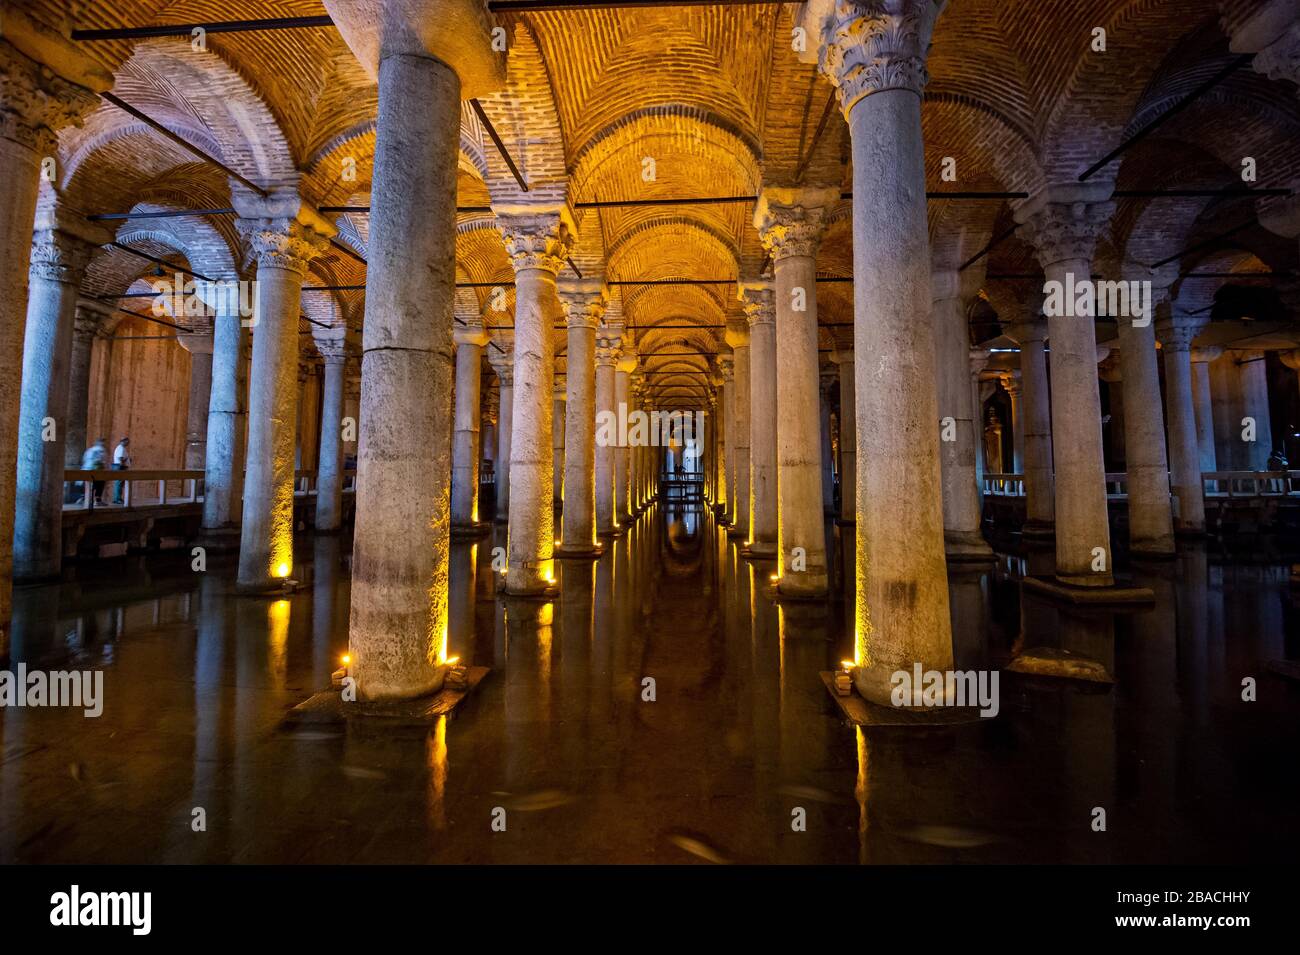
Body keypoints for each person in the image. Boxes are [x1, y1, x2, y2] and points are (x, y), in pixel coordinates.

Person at [78, 438, 108, 506]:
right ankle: (97, 500)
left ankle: (83, 497)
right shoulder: (100, 449)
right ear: (101, 442)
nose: (104, 444)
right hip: (95, 470)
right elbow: (99, 461)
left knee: (88, 484)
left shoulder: (90, 450)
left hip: (86, 469)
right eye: (103, 442)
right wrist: (103, 469)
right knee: (99, 484)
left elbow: (84, 460)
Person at [111, 436, 131, 505]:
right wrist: (127, 460)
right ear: (124, 441)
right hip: (120, 467)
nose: (128, 443)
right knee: (119, 484)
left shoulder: (121, 448)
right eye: (128, 441)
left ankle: (117, 498)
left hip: (120, 467)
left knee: (119, 484)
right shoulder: (121, 448)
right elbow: (120, 459)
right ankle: (117, 499)